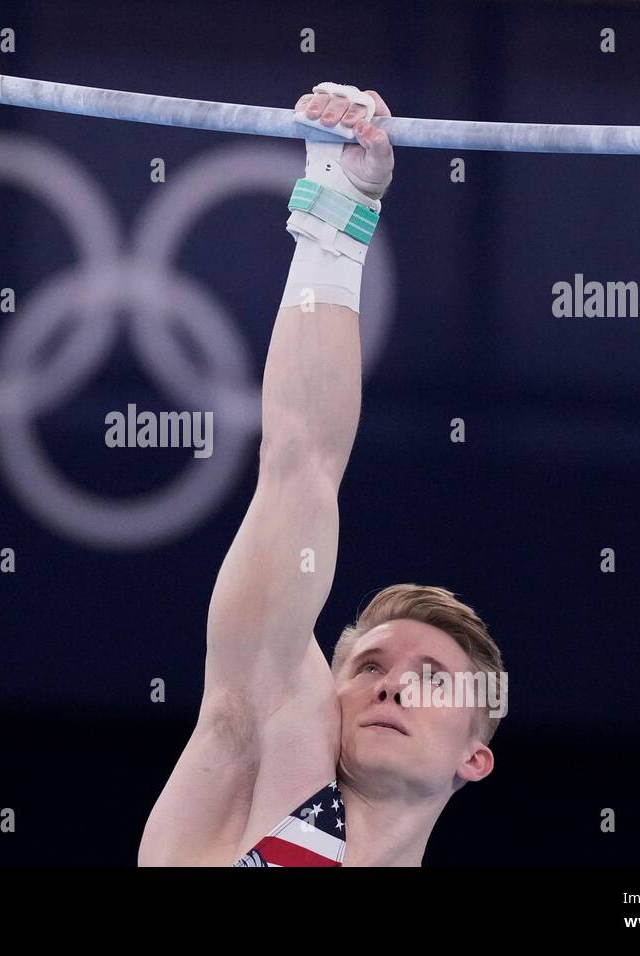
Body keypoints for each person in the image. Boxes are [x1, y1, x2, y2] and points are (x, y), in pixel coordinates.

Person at [138, 83, 506, 867]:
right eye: (368, 666)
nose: (391, 684)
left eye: (432, 678)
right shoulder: (266, 776)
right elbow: (298, 460)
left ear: (476, 754)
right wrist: (339, 216)